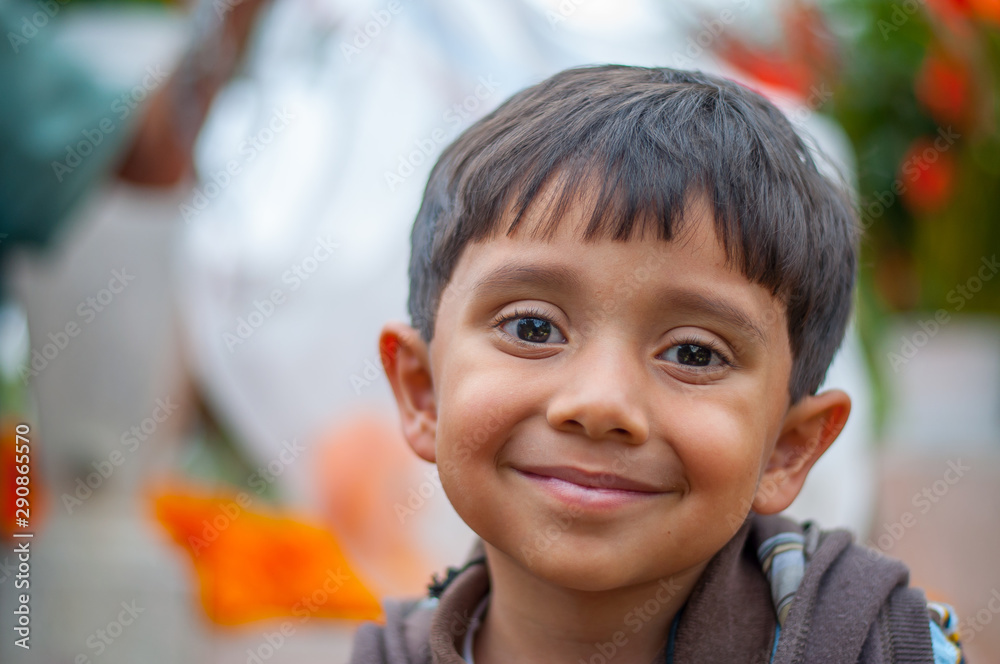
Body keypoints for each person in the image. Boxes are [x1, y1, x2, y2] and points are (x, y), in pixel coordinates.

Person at [352, 66, 964, 664]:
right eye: (533, 328)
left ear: (788, 447)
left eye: (693, 354)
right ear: (422, 391)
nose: (600, 404)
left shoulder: (879, 646)